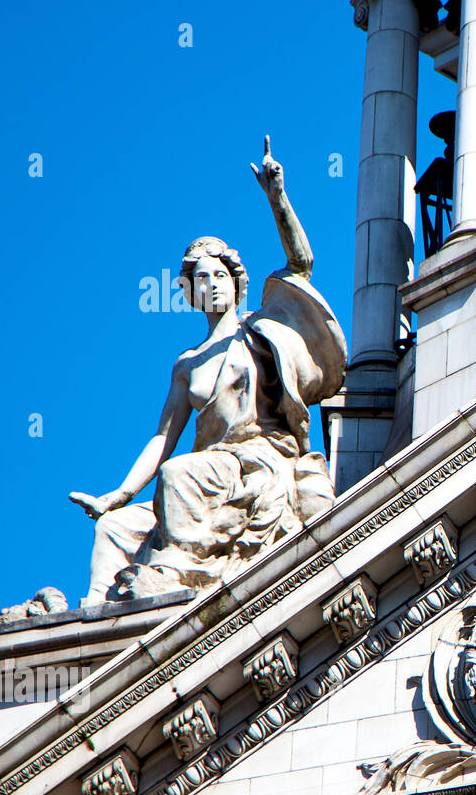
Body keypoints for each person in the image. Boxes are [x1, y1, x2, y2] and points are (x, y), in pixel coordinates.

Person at [70, 138, 347, 603]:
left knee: (180, 475)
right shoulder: (187, 364)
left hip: (255, 460)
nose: (212, 284)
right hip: (207, 472)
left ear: (236, 283)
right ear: (191, 291)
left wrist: (277, 197)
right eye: (202, 278)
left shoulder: (261, 331)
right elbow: (163, 438)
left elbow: (301, 264)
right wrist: (117, 495)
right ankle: (97, 630)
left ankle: (173, 573)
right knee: (117, 530)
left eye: (219, 275)